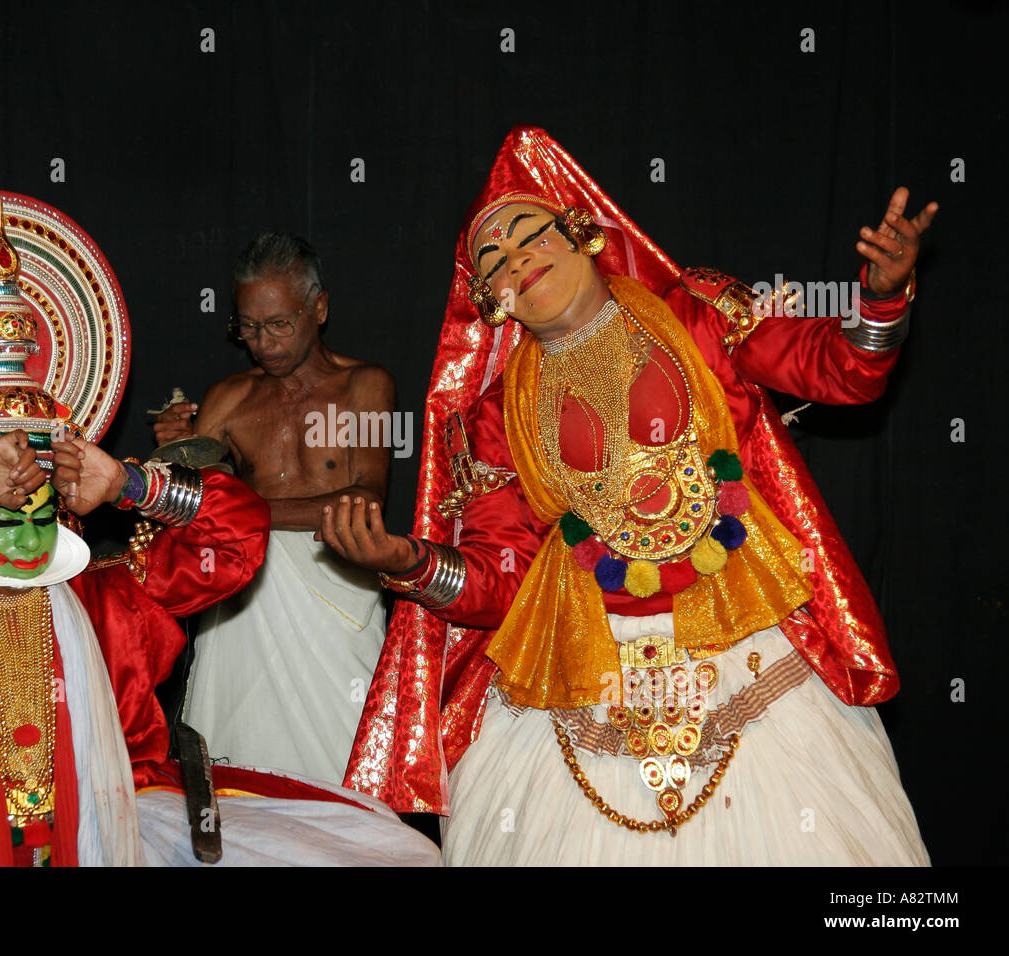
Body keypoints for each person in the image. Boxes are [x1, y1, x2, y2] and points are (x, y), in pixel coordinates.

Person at [0, 195, 440, 867]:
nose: (16, 475)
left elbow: (236, 539)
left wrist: (129, 484)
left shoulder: (115, 600)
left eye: (32, 451)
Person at [321, 127, 935, 865]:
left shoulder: (696, 317)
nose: (518, 259)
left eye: (530, 235)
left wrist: (881, 296)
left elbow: (838, 371)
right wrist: (411, 561)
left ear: (579, 233)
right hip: (579, 681)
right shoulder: (491, 424)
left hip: (750, 655)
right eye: (496, 260)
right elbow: (497, 586)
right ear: (491, 301)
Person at [153, 232, 396, 786]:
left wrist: (240, 509)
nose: (263, 343)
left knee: (348, 769)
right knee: (241, 772)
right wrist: (171, 454)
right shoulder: (229, 397)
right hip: (245, 598)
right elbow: (186, 506)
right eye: (248, 327)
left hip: (335, 592)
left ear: (320, 307)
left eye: (280, 324)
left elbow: (363, 500)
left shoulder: (362, 386)